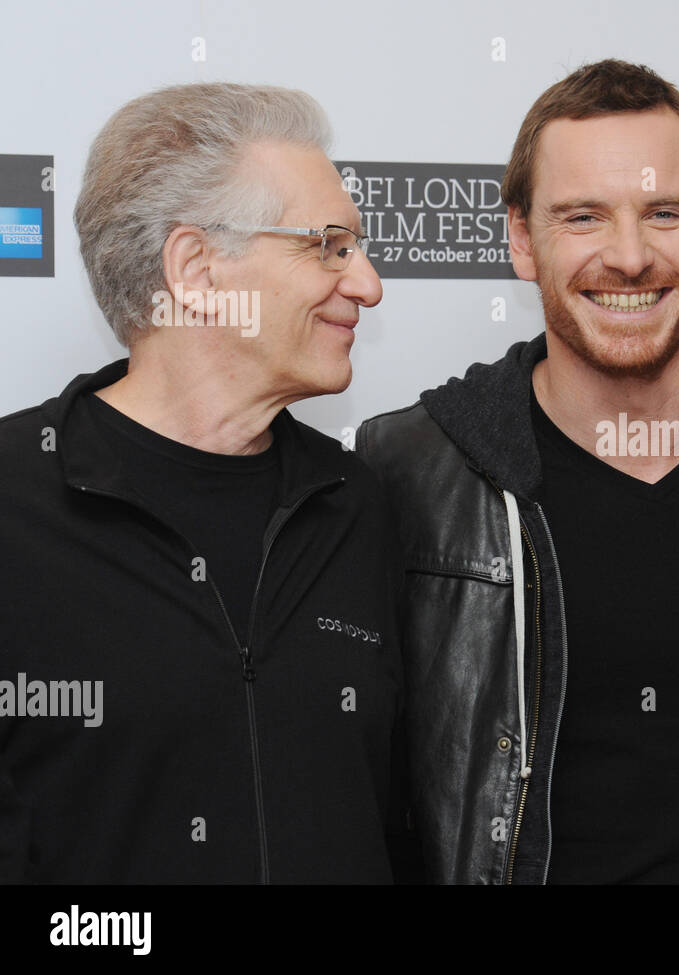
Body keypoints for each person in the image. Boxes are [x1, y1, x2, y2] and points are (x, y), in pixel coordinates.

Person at [359, 59, 679, 884]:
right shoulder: (415, 468)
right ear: (522, 240)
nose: (629, 258)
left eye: (665, 212)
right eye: (584, 217)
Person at [0, 83, 409, 882]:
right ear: (194, 268)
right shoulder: (12, 504)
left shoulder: (356, 503)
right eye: (327, 244)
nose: (367, 284)